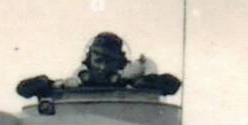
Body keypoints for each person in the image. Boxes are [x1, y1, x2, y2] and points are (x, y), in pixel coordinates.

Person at [16, 32, 181, 98]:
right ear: (89, 60)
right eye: (99, 61)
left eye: (110, 62)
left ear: (120, 62)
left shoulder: (133, 82)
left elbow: (172, 84)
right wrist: (45, 83)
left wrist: (148, 81)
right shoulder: (75, 81)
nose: (102, 67)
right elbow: (23, 89)